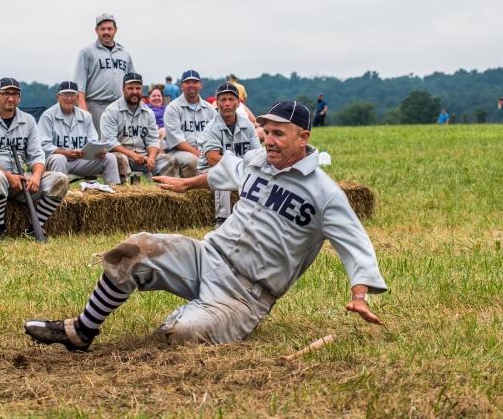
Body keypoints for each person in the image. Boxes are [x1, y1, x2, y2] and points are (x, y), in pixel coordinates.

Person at [24, 100, 387, 350]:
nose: (269, 140)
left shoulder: (324, 193)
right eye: (266, 131)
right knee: (133, 250)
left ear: (304, 138)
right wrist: (185, 183)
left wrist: (359, 294)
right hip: (206, 256)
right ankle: (81, 331)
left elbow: (354, 242)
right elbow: (223, 173)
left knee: (180, 334)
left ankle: (194, 320)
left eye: (280, 133)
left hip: (246, 293)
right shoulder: (258, 161)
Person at [0, 78, 69, 239]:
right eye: (6, 94)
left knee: (61, 179)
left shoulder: (28, 120)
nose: (10, 98)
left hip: (20, 180)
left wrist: (36, 177)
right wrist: (9, 177)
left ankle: (33, 228)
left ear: (19, 98)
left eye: (15, 94)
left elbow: (37, 155)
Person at [198, 83, 261, 225]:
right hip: (208, 169)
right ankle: (222, 219)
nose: (227, 103)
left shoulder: (248, 125)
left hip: (239, 167)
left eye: (231, 99)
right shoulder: (211, 128)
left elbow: (257, 154)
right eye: (223, 99)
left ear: (238, 102)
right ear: (217, 103)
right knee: (224, 173)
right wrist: (240, 168)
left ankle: (256, 218)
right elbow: (213, 159)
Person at [37, 81, 120, 185]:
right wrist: (66, 152)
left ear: (77, 98)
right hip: (56, 161)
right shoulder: (48, 116)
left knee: (110, 158)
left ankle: (115, 194)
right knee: (59, 159)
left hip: (80, 160)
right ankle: (58, 197)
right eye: (65, 95)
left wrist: (97, 151)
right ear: (58, 97)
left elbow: (93, 140)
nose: (69, 98)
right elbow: (43, 146)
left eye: (72, 95)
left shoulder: (86, 116)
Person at [99, 72, 177, 182]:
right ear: (123, 89)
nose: (134, 92)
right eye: (130, 88)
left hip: (143, 156)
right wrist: (133, 155)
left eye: (138, 88)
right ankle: (121, 196)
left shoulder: (148, 112)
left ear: (142, 90)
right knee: (119, 159)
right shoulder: (111, 111)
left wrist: (151, 157)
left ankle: (165, 196)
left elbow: (153, 139)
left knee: (169, 161)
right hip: (121, 154)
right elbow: (110, 142)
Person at [73, 13, 135, 134]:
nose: (106, 32)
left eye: (109, 28)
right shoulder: (87, 52)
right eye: (102, 29)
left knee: (122, 145)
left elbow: (133, 84)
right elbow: (79, 87)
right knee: (101, 146)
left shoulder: (125, 54)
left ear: (115, 30)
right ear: (96, 30)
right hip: (96, 105)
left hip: (121, 106)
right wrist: (85, 113)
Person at [163, 70, 216, 178]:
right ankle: (190, 192)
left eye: (195, 82)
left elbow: (217, 134)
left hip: (205, 151)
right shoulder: (173, 108)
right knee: (192, 161)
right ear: (181, 86)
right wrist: (200, 155)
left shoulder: (209, 108)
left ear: (200, 85)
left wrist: (211, 154)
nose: (191, 85)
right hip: (179, 151)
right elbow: (178, 142)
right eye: (187, 82)